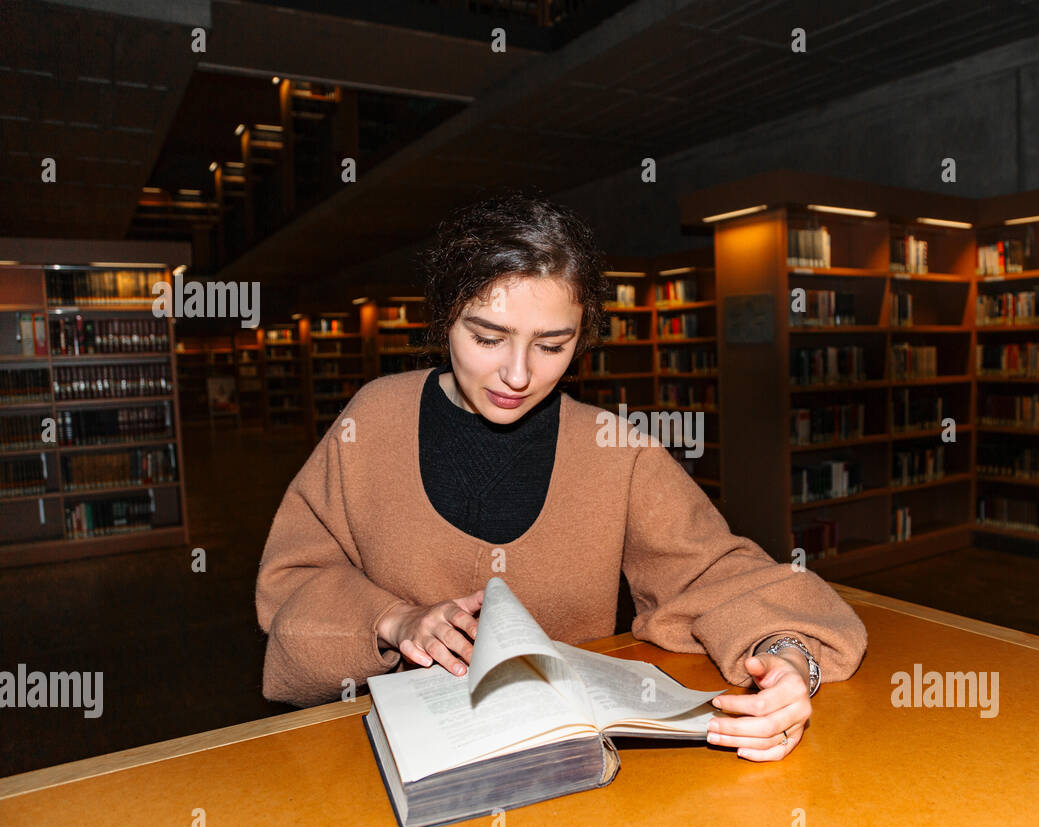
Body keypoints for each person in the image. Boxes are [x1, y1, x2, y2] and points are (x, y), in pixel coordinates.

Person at [256, 190, 867, 762]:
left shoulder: (615, 451)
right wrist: (391, 619)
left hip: (564, 765)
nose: (516, 375)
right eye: (488, 337)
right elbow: (295, 580)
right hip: (387, 753)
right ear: (445, 318)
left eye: (552, 346)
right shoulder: (373, 418)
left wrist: (787, 659)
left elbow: (720, 575)